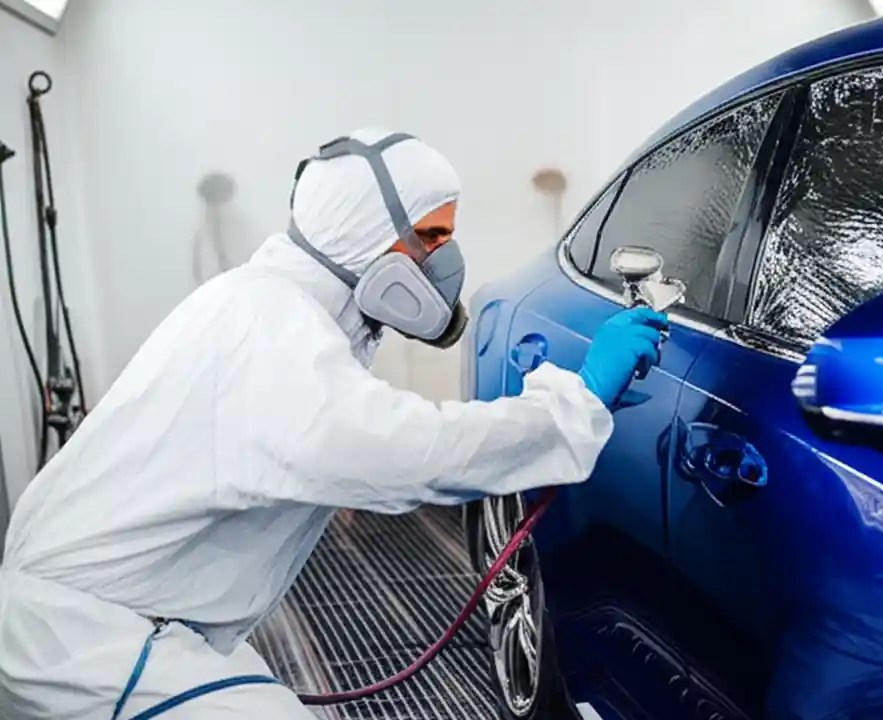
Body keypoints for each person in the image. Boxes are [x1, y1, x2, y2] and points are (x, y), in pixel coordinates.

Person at [0, 128, 667, 718]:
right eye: (430, 238)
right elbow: (410, 456)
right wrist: (573, 402)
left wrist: (575, 405)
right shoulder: (268, 326)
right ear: (361, 236)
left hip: (131, 615)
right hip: (88, 641)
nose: (444, 264)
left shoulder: (278, 309)